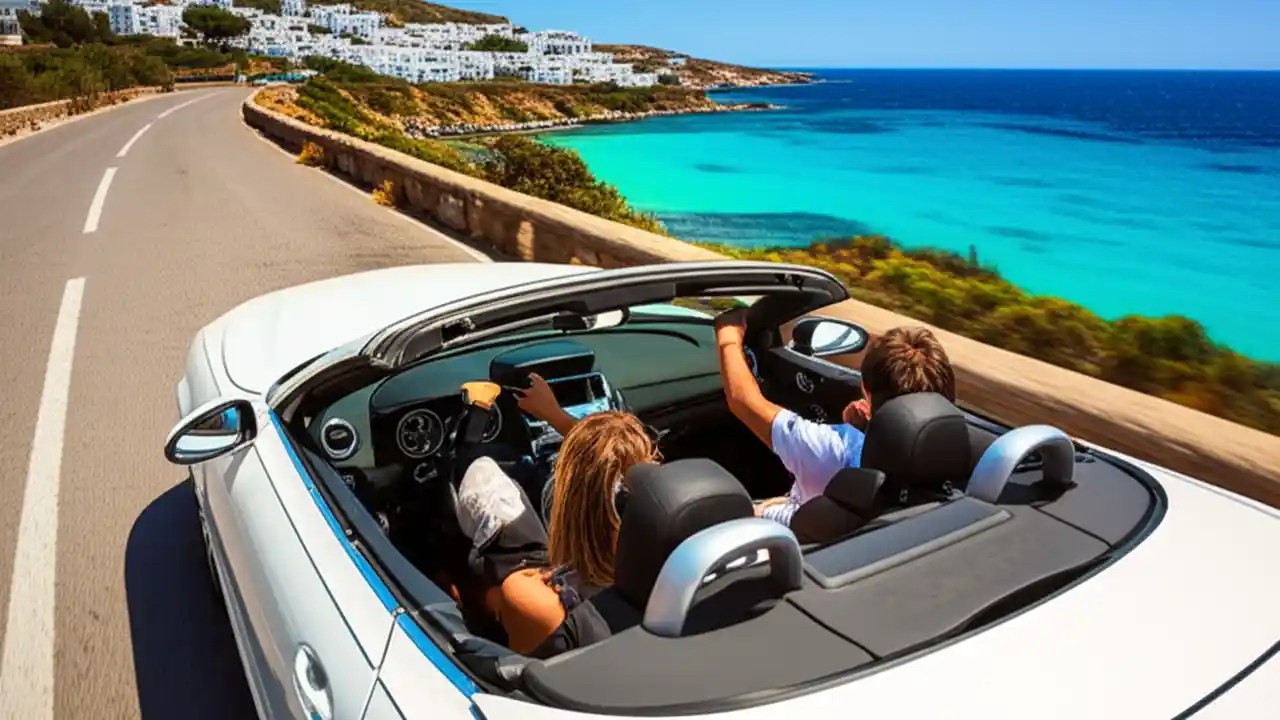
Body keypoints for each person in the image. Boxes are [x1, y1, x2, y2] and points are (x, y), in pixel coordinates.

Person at [714, 309, 957, 526]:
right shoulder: (952, 469)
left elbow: (743, 401)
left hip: (792, 536)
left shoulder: (834, 448)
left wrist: (728, 335)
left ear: (865, 388)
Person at [464, 411, 659, 655]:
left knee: (481, 475)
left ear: (567, 506)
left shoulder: (538, 598)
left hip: (542, 581)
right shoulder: (696, 568)